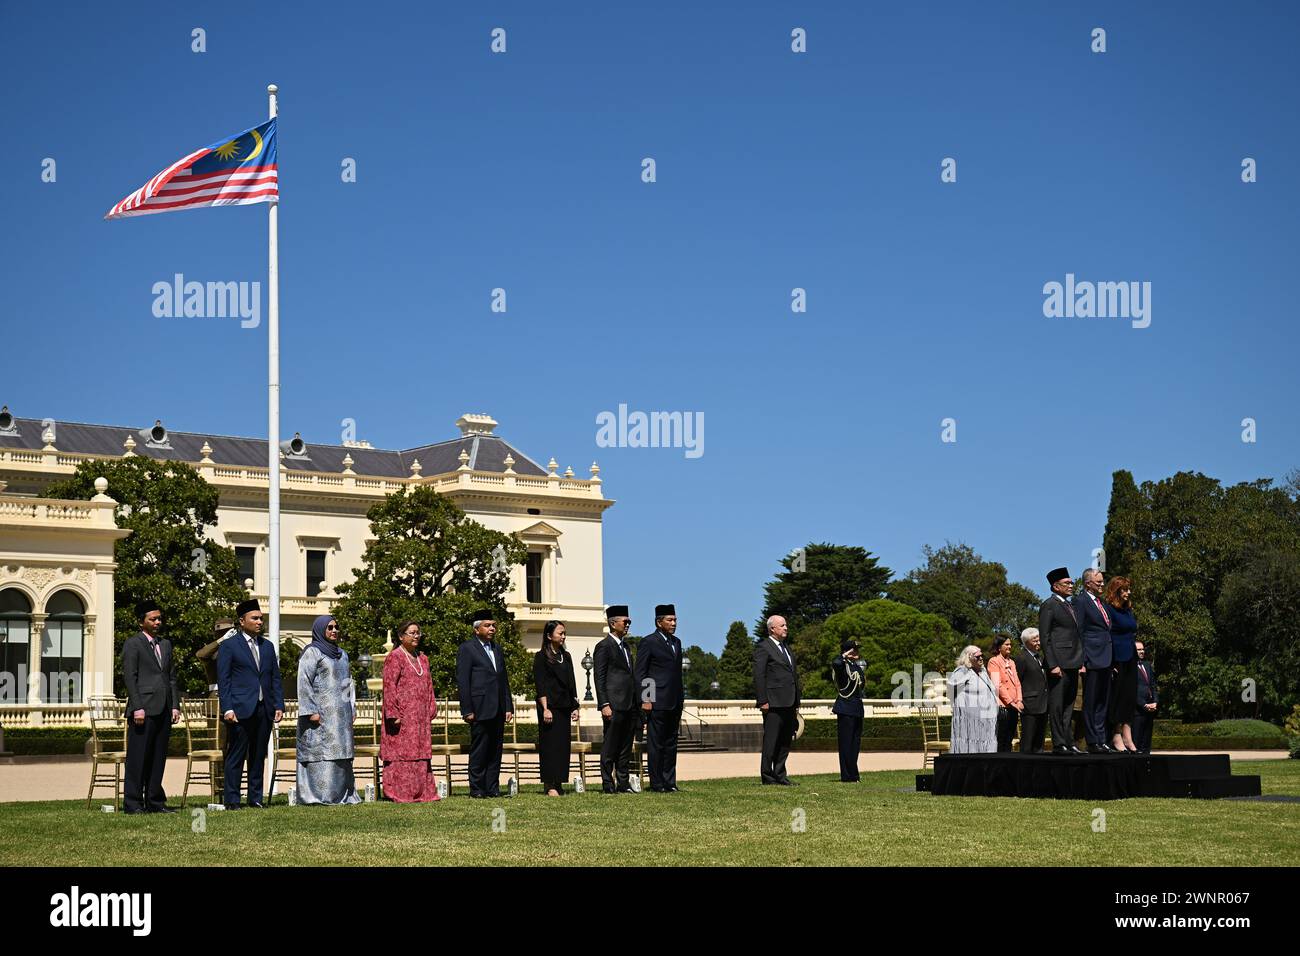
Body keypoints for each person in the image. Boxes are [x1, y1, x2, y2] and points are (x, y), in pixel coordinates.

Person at [217, 599, 284, 809]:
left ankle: (255, 798)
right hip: (239, 709)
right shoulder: (229, 646)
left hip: (264, 709)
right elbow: (224, 680)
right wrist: (227, 708)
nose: (259, 622)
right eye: (254, 618)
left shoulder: (267, 646)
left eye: (261, 618)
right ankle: (233, 800)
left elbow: (275, 678)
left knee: (257, 756)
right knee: (236, 755)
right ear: (241, 621)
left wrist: (279, 705)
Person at [121, 601, 180, 814]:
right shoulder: (132, 644)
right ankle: (133, 803)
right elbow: (130, 677)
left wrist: (175, 705)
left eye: (159, 618)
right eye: (152, 619)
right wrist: (137, 707)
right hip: (142, 710)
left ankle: (155, 802)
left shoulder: (165, 644)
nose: (157, 622)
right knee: (138, 758)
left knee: (158, 758)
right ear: (141, 622)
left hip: (164, 709)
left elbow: (171, 677)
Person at [296, 615, 361, 805]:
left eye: (336, 627)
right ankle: (319, 796)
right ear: (320, 630)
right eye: (330, 627)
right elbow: (303, 682)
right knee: (322, 753)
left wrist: (352, 708)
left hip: (341, 716)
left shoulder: (343, 654)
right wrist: (310, 711)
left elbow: (348, 683)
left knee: (341, 753)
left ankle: (343, 794)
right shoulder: (312, 653)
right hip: (320, 715)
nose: (334, 630)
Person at [380, 621, 441, 802]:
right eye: (412, 632)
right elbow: (389, 686)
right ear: (401, 636)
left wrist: (432, 705)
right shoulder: (395, 657)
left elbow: (429, 685)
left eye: (418, 633)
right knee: (403, 753)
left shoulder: (423, 658)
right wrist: (393, 713)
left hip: (420, 716)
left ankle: (423, 792)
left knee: (420, 752)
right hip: (403, 716)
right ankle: (401, 792)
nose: (416, 636)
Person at [455, 609, 514, 798]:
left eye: (493, 625)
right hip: (479, 709)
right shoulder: (467, 648)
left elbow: (503, 679)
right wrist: (467, 710)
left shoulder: (497, 649)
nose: (492, 628)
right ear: (476, 629)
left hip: (498, 708)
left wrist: (508, 706)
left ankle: (492, 788)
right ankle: (477, 789)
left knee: (495, 751)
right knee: (480, 750)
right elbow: (463, 681)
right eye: (487, 625)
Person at [633, 604, 685, 793]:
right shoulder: (649, 642)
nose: (674, 623)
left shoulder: (677, 642)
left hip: (674, 701)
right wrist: (646, 699)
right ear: (658, 622)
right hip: (656, 701)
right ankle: (656, 783)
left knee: (671, 743)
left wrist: (681, 698)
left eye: (675, 620)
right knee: (656, 744)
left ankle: (669, 781)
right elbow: (642, 673)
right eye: (670, 620)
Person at [1039, 567, 1084, 755]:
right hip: (1059, 663)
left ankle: (1068, 740)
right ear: (1055, 586)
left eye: (1072, 582)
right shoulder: (1049, 605)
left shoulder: (1069, 605)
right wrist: (1053, 663)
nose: (1071, 586)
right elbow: (1045, 636)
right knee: (1057, 706)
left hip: (1073, 662)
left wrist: (1081, 661)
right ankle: (1059, 743)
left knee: (1068, 706)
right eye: (1067, 583)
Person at [593, 605, 637, 793]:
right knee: (610, 746)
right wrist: (604, 703)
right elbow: (599, 677)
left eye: (629, 621)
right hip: (613, 704)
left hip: (629, 704)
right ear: (613, 623)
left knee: (625, 747)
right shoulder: (604, 646)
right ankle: (607, 784)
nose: (627, 624)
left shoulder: (626, 647)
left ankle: (623, 783)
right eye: (624, 621)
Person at [754, 615, 801, 785]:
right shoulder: (763, 647)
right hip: (773, 703)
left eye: (786, 625)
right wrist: (762, 701)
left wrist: (797, 702)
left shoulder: (787, 648)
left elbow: (793, 676)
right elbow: (759, 675)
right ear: (772, 629)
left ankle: (780, 775)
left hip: (789, 702)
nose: (786, 628)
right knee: (771, 741)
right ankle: (767, 776)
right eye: (782, 625)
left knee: (785, 742)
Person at [534, 620, 579, 796]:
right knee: (550, 747)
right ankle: (550, 784)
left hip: (564, 708)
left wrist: (575, 706)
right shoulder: (541, 657)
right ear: (549, 635)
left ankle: (559, 782)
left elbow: (572, 683)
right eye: (560, 633)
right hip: (549, 708)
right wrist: (545, 708)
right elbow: (541, 685)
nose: (563, 636)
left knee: (562, 747)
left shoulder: (566, 656)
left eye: (564, 633)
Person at [1077, 568, 1114, 753]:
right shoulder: (1081, 601)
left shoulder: (1102, 603)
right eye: (1098, 582)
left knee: (1102, 702)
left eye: (1102, 581)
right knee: (1091, 702)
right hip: (1091, 659)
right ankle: (1092, 741)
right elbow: (1080, 632)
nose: (1101, 584)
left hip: (1106, 659)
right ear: (1087, 583)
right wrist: (1082, 660)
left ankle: (1101, 738)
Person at [1105, 577, 1139, 753]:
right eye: (1124, 590)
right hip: (1117, 658)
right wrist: (1111, 662)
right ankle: (1116, 734)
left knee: (1129, 697)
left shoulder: (1128, 611)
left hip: (1131, 657)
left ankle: (1128, 734)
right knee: (1117, 697)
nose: (1128, 593)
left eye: (1128, 589)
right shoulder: (1109, 610)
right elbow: (1107, 636)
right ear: (1116, 591)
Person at [946, 645, 998, 753]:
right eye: (977, 656)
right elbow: (950, 688)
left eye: (981, 656)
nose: (981, 658)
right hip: (970, 720)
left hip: (986, 718)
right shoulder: (962, 671)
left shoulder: (982, 671)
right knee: (971, 746)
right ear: (969, 657)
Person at [830, 639, 865, 781]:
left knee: (855, 743)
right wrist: (844, 655)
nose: (856, 652)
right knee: (846, 743)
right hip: (845, 707)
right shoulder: (842, 664)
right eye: (854, 650)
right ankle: (846, 775)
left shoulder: (855, 666)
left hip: (856, 707)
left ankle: (853, 773)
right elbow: (836, 663)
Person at [1013, 628, 1049, 753]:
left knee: (1039, 742)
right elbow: (1017, 681)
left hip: (1043, 704)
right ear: (1026, 642)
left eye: (1039, 639)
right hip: (1029, 704)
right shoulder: (1021, 658)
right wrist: (1019, 700)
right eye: (1035, 640)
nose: (1039, 642)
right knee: (1028, 740)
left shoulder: (1040, 657)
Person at [986, 635, 1022, 752]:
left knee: (1010, 738)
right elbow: (998, 684)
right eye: (1006, 644)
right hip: (1003, 706)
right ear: (999, 647)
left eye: (1010, 644)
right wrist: (1011, 702)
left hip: (1014, 706)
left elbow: (1017, 683)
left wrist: (1019, 700)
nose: (1009, 646)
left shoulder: (1012, 662)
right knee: (1001, 739)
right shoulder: (993, 661)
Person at [196, 617, 234, 692]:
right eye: (220, 632)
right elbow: (200, 654)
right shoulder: (213, 651)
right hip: (218, 693)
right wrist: (222, 639)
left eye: (228, 632)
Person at [1133, 641, 1158, 753]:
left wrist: (1155, 701)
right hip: (1137, 711)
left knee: (1146, 744)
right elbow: (1132, 690)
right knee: (1136, 742)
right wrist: (1143, 704)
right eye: (1139, 650)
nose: (1142, 651)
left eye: (1142, 649)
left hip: (1150, 710)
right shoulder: (1130, 668)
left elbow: (1153, 685)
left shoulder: (1147, 665)